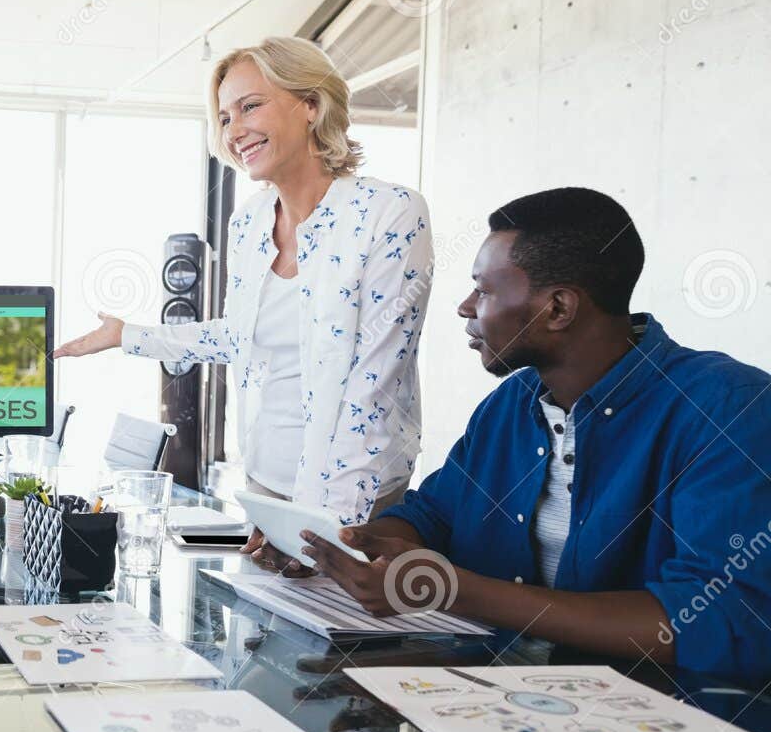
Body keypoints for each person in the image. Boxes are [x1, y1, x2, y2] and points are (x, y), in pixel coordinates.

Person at [301, 187, 771, 679]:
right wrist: (332, 547)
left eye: (483, 290)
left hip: (653, 712)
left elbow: (718, 620)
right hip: (500, 686)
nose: (465, 307)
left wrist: (454, 589)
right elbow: (433, 516)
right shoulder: (512, 401)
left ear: (558, 309)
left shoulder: (729, 408)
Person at [55, 36, 433, 548]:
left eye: (250, 106)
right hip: (265, 487)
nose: (234, 131)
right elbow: (238, 337)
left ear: (311, 104)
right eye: (225, 117)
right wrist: (129, 336)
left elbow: (374, 387)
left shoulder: (390, 212)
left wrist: (319, 533)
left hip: (355, 499)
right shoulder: (249, 221)